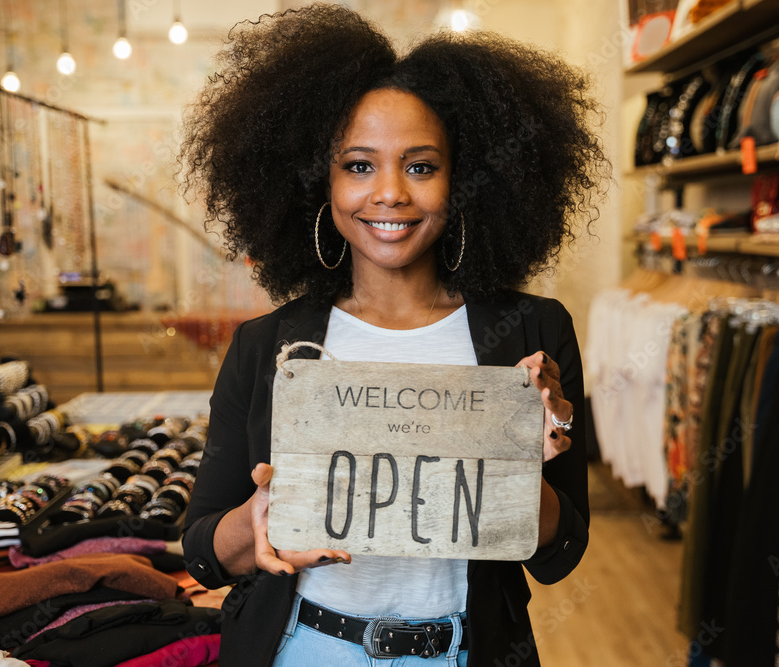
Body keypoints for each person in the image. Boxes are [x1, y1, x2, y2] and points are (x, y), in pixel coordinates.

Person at [179, 5, 605, 666]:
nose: (388, 193)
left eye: (420, 166)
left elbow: (561, 554)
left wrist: (523, 466)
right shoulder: (265, 347)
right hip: (301, 647)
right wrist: (258, 518)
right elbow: (203, 552)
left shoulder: (530, 333)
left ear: (461, 180)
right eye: (357, 166)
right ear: (319, 180)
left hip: (467, 651)